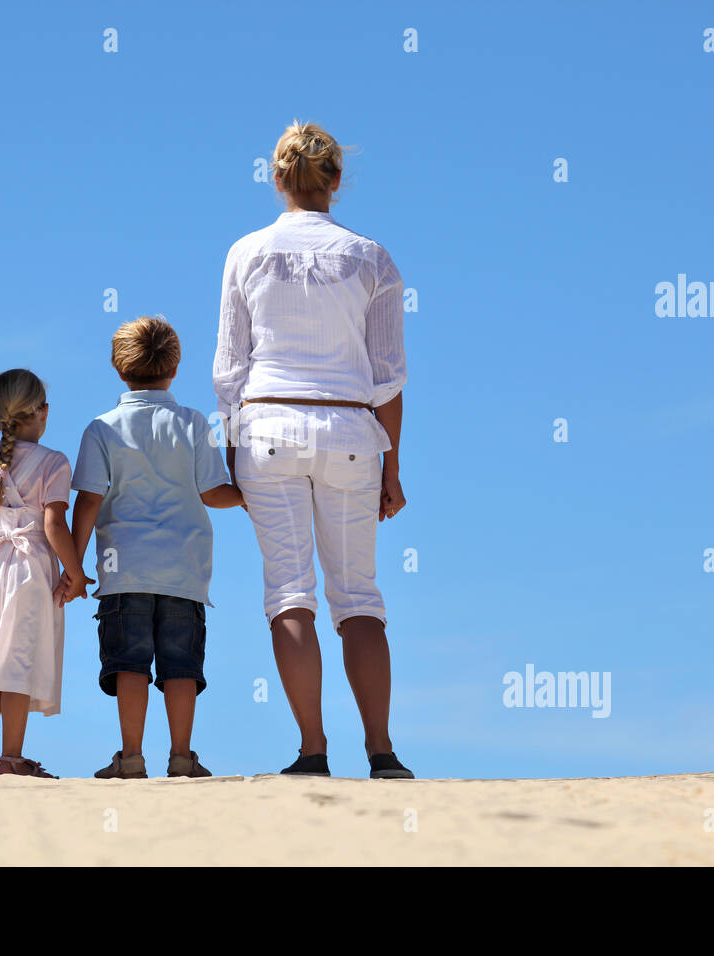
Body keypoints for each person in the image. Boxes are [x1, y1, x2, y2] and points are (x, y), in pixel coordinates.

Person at [213, 120, 414, 779]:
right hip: (353, 432)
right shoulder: (373, 258)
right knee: (358, 595)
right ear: (336, 180)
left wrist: (229, 452)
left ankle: (312, 751)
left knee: (289, 592)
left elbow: (229, 369)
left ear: (276, 180)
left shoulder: (245, 252)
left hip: (267, 429)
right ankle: (382, 753)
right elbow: (387, 374)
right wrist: (394, 465)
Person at [71, 316, 244, 779]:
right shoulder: (193, 424)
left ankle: (130, 757)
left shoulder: (101, 429)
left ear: (117, 367)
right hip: (185, 570)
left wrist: (70, 562)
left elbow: (87, 500)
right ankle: (182, 757)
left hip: (122, 569)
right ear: (176, 365)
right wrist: (254, 494)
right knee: (181, 665)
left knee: (129, 663)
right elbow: (213, 494)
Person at [0, 369, 89, 777]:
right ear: (44, 412)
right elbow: (53, 526)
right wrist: (75, 573)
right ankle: (12, 757)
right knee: (16, 660)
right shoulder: (54, 462)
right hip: (26, 570)